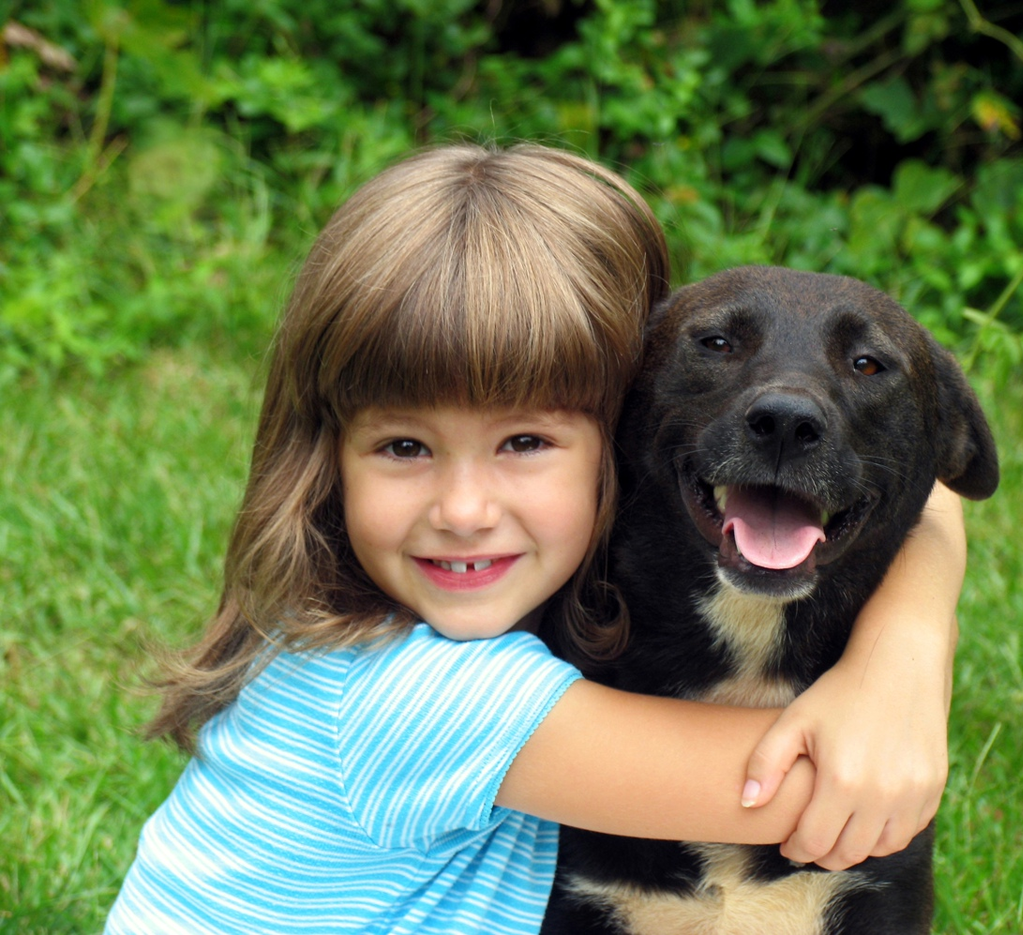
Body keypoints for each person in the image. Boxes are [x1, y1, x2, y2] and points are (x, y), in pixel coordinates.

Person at [104, 142, 966, 934]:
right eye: (405, 447)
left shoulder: (498, 616)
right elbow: (842, 784)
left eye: (524, 443)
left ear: (616, 429)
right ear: (324, 461)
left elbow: (941, 491)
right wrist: (901, 675)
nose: (466, 509)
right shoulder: (421, 696)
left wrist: (910, 627)